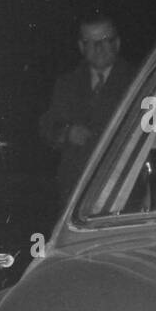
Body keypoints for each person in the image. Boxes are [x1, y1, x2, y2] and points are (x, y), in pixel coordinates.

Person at [39, 14, 135, 199]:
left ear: (117, 43)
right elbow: (46, 126)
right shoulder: (66, 83)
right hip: (75, 193)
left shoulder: (138, 80)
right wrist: (68, 133)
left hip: (121, 191)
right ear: (81, 47)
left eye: (105, 40)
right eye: (90, 42)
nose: (98, 48)